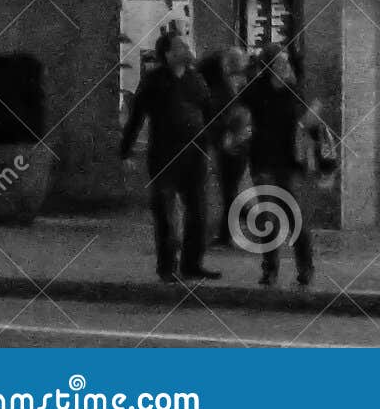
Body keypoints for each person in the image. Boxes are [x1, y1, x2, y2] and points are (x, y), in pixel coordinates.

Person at [119, 37, 220, 284]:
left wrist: (212, 148)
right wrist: (126, 151)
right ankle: (167, 267)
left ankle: (192, 264)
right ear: (167, 54)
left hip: (194, 154)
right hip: (164, 153)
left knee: (197, 210)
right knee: (165, 212)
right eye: (180, 47)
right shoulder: (153, 81)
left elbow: (209, 114)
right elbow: (137, 117)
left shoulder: (195, 79)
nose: (187, 49)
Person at [240, 44, 317, 287]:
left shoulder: (293, 91)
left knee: (295, 216)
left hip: (289, 161)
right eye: (279, 63)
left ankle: (305, 267)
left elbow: (303, 124)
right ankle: (270, 269)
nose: (284, 67)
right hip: (263, 159)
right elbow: (242, 118)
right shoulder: (254, 91)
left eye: (286, 63)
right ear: (268, 66)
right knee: (268, 216)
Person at [199, 47, 251, 248]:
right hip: (233, 142)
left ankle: (228, 232)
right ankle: (244, 218)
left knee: (228, 187)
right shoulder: (234, 85)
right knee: (229, 187)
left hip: (229, 143)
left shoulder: (225, 88)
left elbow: (228, 116)